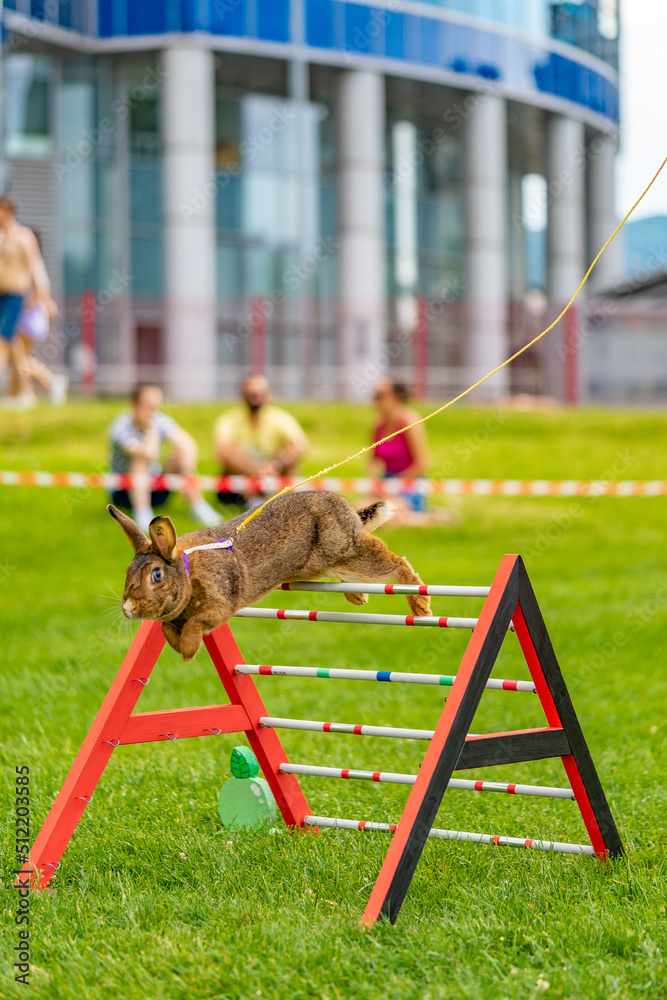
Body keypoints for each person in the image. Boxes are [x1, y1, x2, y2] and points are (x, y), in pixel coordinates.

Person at [109, 383, 220, 532]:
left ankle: (198, 506)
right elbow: (149, 455)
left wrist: (186, 470)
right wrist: (150, 430)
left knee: (180, 456)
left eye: (156, 403)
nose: (153, 409)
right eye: (148, 404)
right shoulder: (121, 427)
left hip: (155, 487)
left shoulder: (160, 419)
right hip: (124, 492)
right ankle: (142, 512)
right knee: (139, 460)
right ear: (135, 404)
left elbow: (188, 445)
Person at [368, 380, 458, 526]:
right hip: (386, 482)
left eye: (380, 396)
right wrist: (375, 486)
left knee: (386, 517)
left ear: (397, 397)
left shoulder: (410, 421)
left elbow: (422, 463)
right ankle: (422, 517)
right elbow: (373, 461)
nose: (375, 400)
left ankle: (429, 519)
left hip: (409, 483)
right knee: (361, 512)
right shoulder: (378, 424)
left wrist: (394, 485)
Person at [214, 374, 309, 508]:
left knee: (291, 452)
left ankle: (285, 501)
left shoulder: (280, 418)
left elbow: (300, 445)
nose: (254, 398)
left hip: (273, 471)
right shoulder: (230, 420)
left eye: (258, 394)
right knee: (230, 450)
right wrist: (256, 470)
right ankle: (256, 500)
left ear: (269, 395)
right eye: (249, 394)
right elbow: (222, 451)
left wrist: (275, 464)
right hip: (241, 477)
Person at [0, 195, 57, 403]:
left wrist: (42, 297)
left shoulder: (23, 236)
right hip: (5, 298)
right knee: (15, 352)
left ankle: (47, 384)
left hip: (17, 299)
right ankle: (22, 394)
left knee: (8, 346)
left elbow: (36, 269)